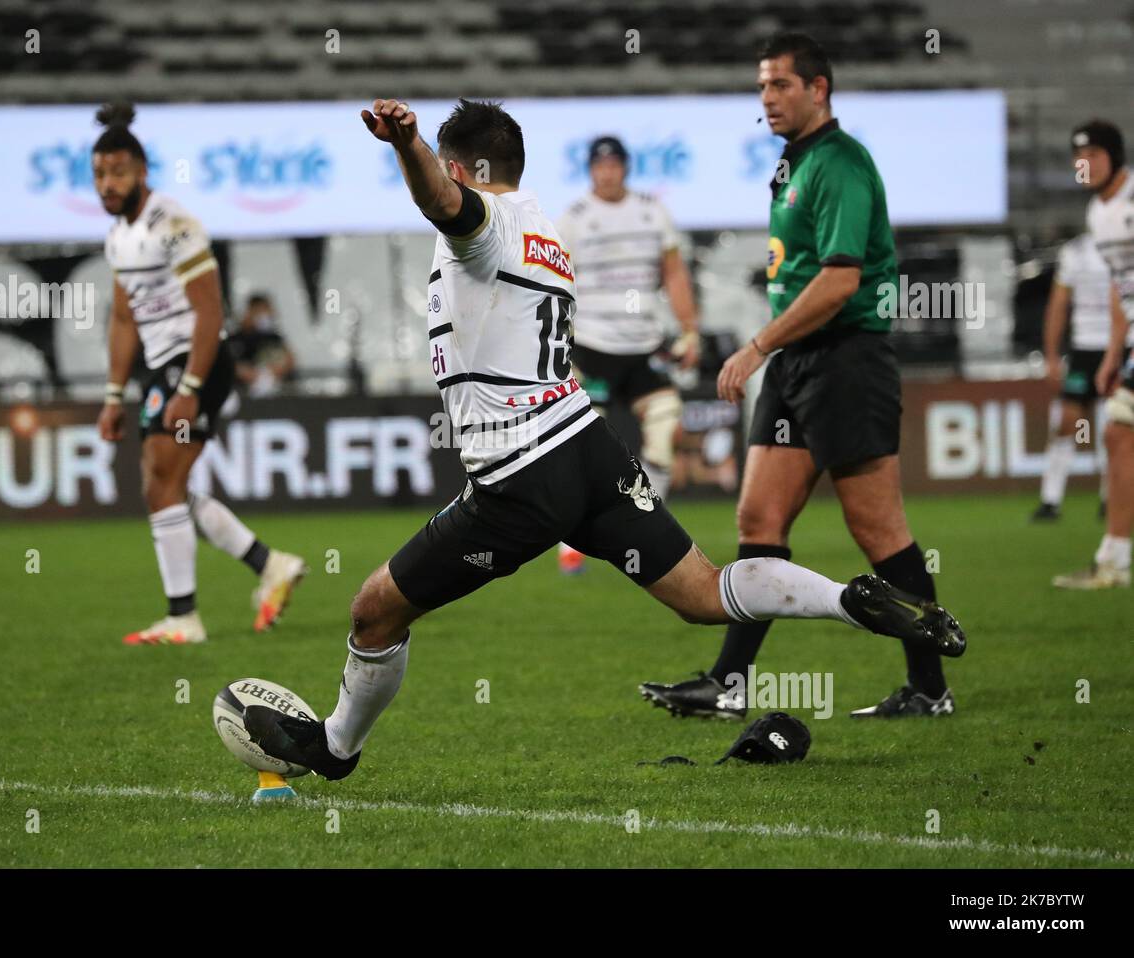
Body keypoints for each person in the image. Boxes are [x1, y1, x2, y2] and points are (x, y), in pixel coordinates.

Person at [236, 97, 966, 782]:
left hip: (520, 475)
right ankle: (849, 599)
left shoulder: (484, 226)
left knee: (373, 610)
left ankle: (335, 748)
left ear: (462, 168)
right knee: (705, 593)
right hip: (587, 447)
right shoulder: (545, 231)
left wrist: (406, 145)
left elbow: (442, 204)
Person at [640, 34, 956, 721]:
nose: (768, 99)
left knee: (877, 529)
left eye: (780, 85)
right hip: (799, 362)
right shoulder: (794, 164)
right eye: (761, 87)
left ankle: (930, 687)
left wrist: (757, 345)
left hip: (845, 359)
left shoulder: (839, 162)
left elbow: (841, 279)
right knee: (760, 517)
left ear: (819, 89)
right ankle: (729, 687)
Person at [91, 102, 306, 644]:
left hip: (198, 362)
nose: (107, 183)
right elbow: (122, 317)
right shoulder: (118, 237)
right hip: (164, 366)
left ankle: (184, 616)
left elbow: (210, 311)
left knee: (161, 483)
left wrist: (189, 387)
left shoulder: (175, 223)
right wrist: (114, 394)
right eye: (98, 174)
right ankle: (268, 564)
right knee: (165, 486)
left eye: (117, 171)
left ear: (141, 172)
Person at [554, 136, 701, 574]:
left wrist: (690, 331)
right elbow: (555, 280)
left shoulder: (653, 212)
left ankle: (648, 528)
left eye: (614, 164)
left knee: (664, 424)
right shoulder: (574, 219)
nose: (607, 172)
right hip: (592, 344)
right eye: (600, 166)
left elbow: (674, 274)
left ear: (625, 167)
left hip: (643, 345)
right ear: (590, 171)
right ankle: (571, 544)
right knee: (581, 448)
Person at [1054, 120, 1134, 589]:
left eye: (1093, 156)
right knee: (1119, 433)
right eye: (1077, 158)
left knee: (1119, 432)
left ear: (1115, 157)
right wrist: (1111, 356)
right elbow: (1120, 285)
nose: (1084, 165)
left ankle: (1114, 561)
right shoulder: (1097, 214)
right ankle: (1114, 560)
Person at [1034, 231, 1130, 521]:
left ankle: (1110, 498)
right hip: (1084, 350)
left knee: (1117, 424)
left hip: (1122, 346)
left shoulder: (1126, 250)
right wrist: (1051, 356)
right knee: (1068, 422)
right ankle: (1051, 500)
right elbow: (1058, 304)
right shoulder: (1075, 252)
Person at [227, 293, 296, 398]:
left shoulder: (273, 337)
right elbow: (230, 363)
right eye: (261, 311)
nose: (266, 316)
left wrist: (269, 374)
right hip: (242, 392)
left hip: (274, 389)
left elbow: (290, 359)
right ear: (250, 311)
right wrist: (251, 374)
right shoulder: (235, 337)